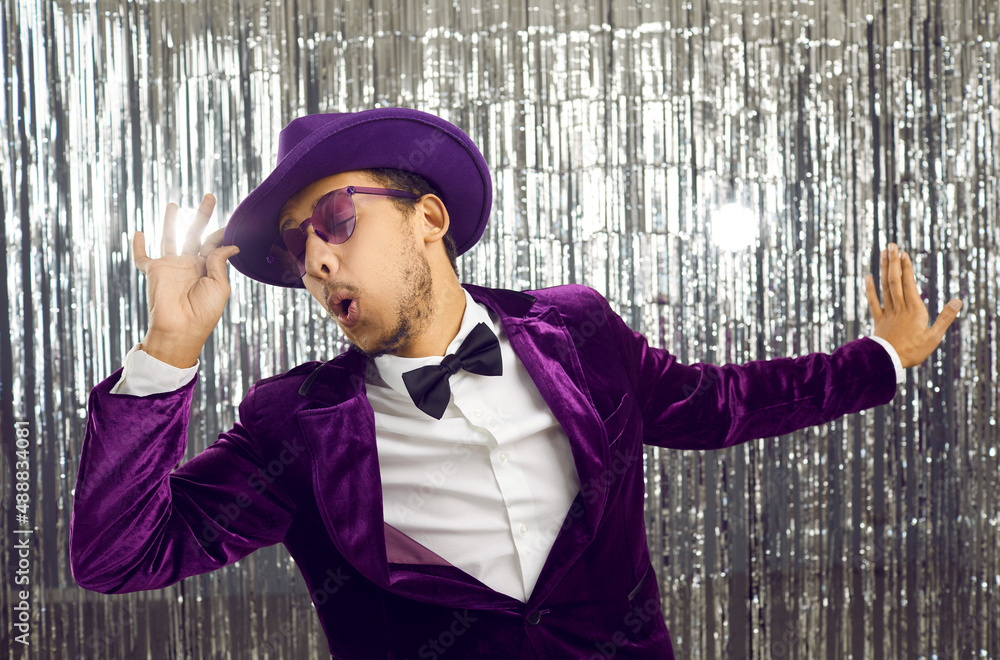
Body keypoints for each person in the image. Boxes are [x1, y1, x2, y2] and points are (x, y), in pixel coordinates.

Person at [70, 108, 962, 659]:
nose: (318, 257)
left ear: (429, 217)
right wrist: (170, 348)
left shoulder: (576, 332)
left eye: (336, 217)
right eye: (298, 247)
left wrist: (880, 358)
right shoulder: (296, 427)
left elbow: (716, 404)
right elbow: (119, 557)